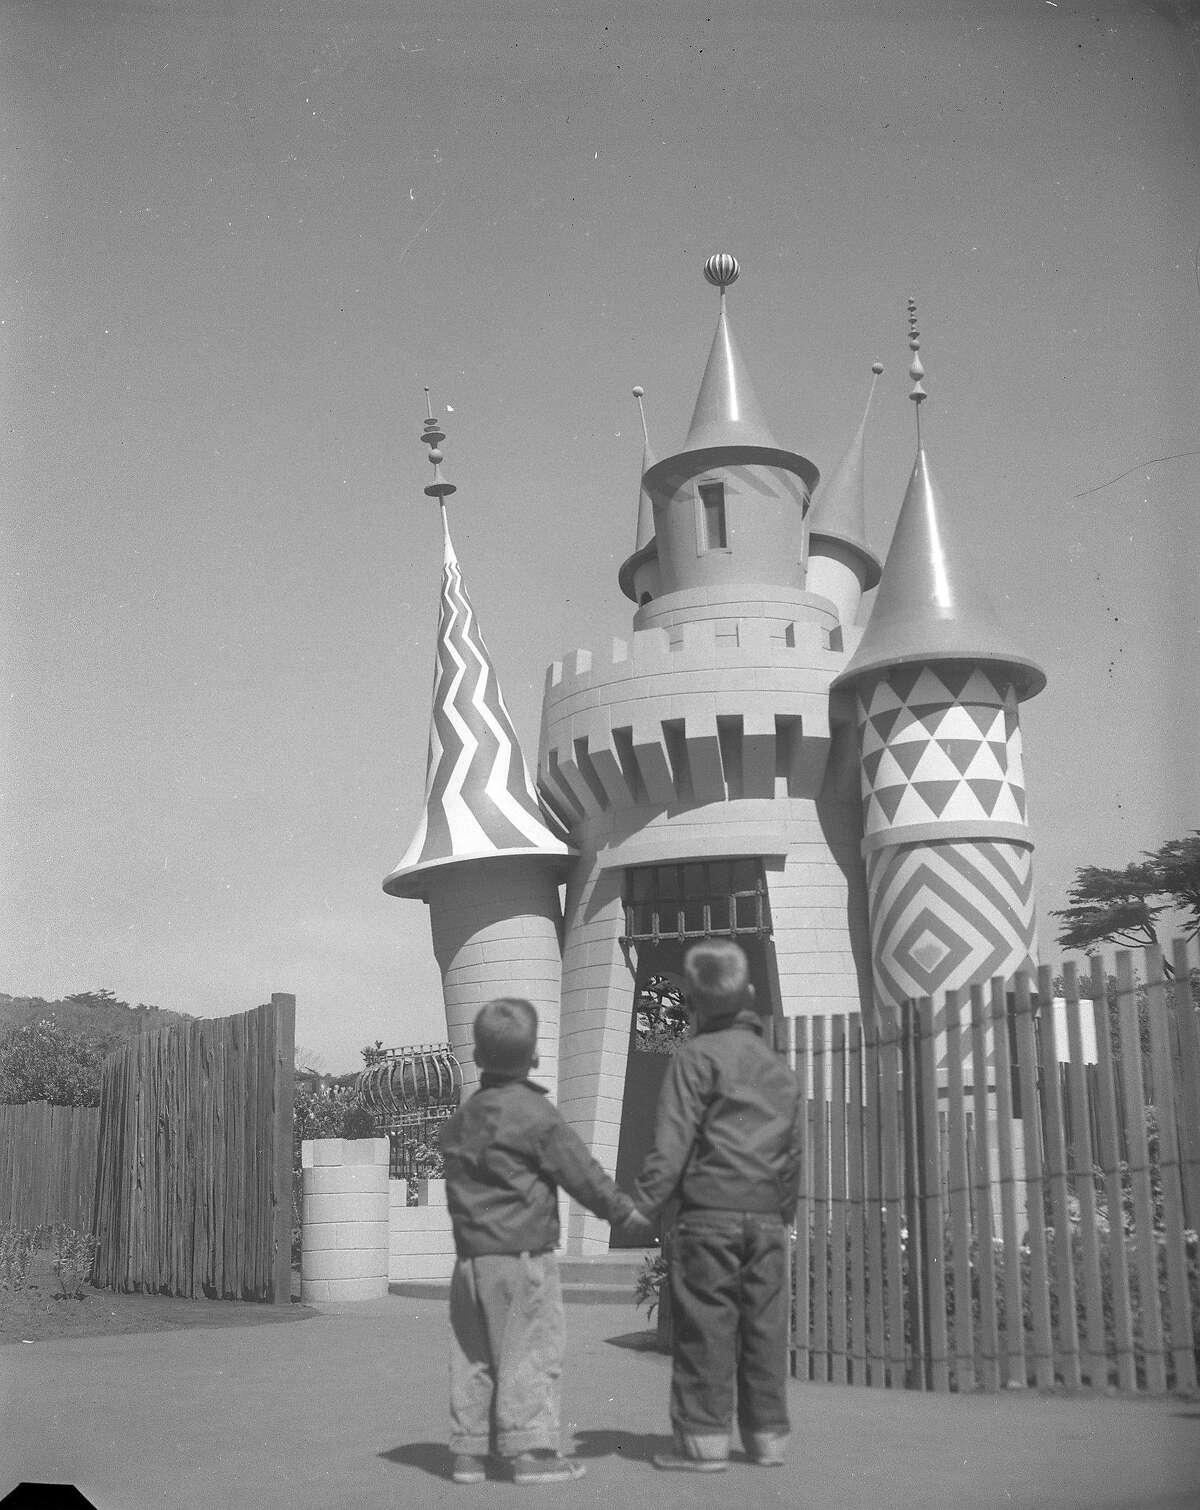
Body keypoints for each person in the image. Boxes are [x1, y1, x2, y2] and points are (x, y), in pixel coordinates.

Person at [439, 996, 639, 1486]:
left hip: (471, 1261)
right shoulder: (537, 1115)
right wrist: (622, 1211)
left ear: (478, 1057)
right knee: (530, 1350)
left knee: (474, 1353)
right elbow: (582, 1174)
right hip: (524, 1256)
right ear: (534, 1058)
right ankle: (528, 1451)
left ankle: (469, 1452)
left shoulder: (464, 1119)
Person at [627, 939, 803, 1472]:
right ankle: (767, 1437)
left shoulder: (695, 1058)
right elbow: (794, 1152)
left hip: (708, 1216)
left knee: (707, 1327)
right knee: (765, 1329)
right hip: (768, 1216)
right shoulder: (777, 1067)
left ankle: (702, 1442)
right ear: (748, 993)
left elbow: (672, 1142)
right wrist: (782, 1213)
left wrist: (646, 1205)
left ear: (695, 1004)